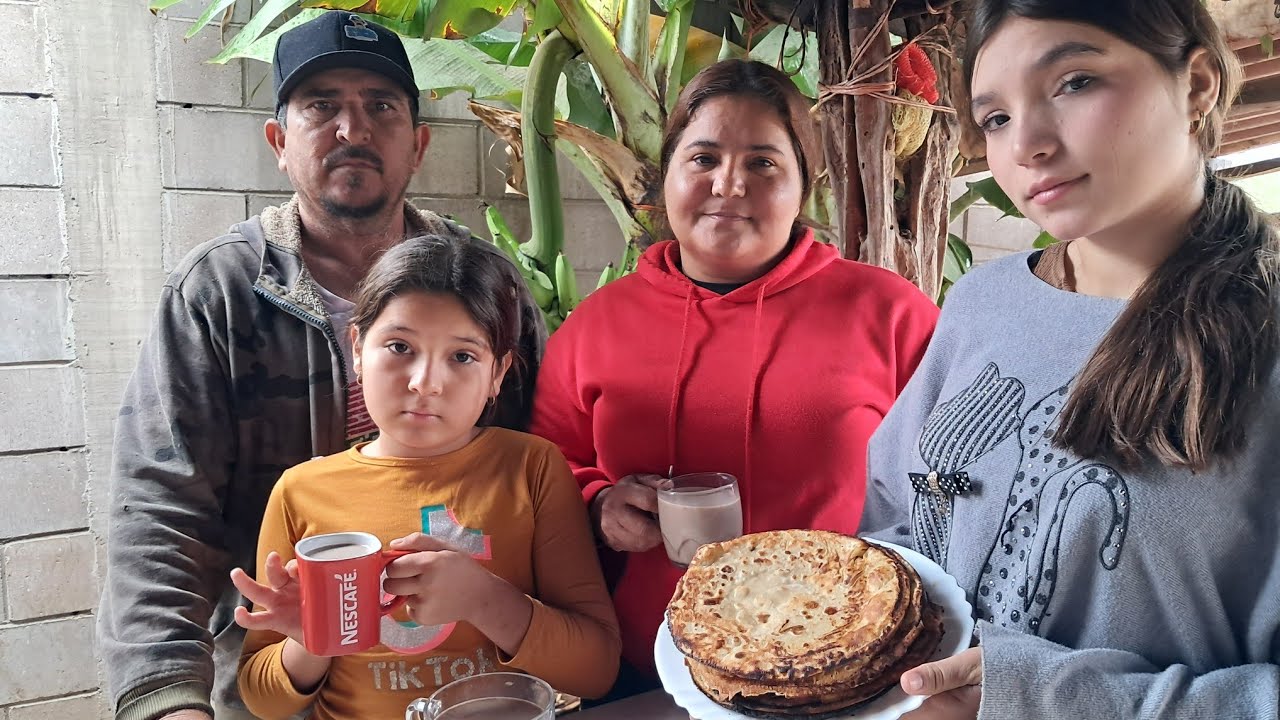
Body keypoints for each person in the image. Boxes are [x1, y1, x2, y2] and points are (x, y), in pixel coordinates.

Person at [96, 12, 545, 720]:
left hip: (465, 679)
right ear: (280, 141)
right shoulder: (220, 292)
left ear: (418, 144)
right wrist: (167, 697)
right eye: (321, 106)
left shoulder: (487, 287)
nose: (351, 129)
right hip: (279, 678)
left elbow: (548, 461)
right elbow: (161, 512)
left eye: (381, 107)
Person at [861, 1, 1280, 718]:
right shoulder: (982, 302)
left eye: (1075, 81)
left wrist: (1036, 694)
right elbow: (898, 522)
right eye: (995, 118)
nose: (1026, 143)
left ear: (1199, 84)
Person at [530, 58, 941, 690]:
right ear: (663, 175)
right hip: (652, 665)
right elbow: (548, 466)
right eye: (702, 159)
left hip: (845, 659)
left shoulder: (889, 314)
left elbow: (958, 478)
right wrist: (599, 502)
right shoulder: (596, 324)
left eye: (762, 162)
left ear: (805, 185)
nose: (729, 184)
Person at [230, 235, 621, 720]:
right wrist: (310, 641)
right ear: (357, 347)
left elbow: (596, 668)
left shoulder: (532, 468)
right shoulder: (300, 492)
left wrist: (484, 599)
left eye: (462, 357)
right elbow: (260, 697)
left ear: (497, 373)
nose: (425, 382)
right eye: (399, 346)